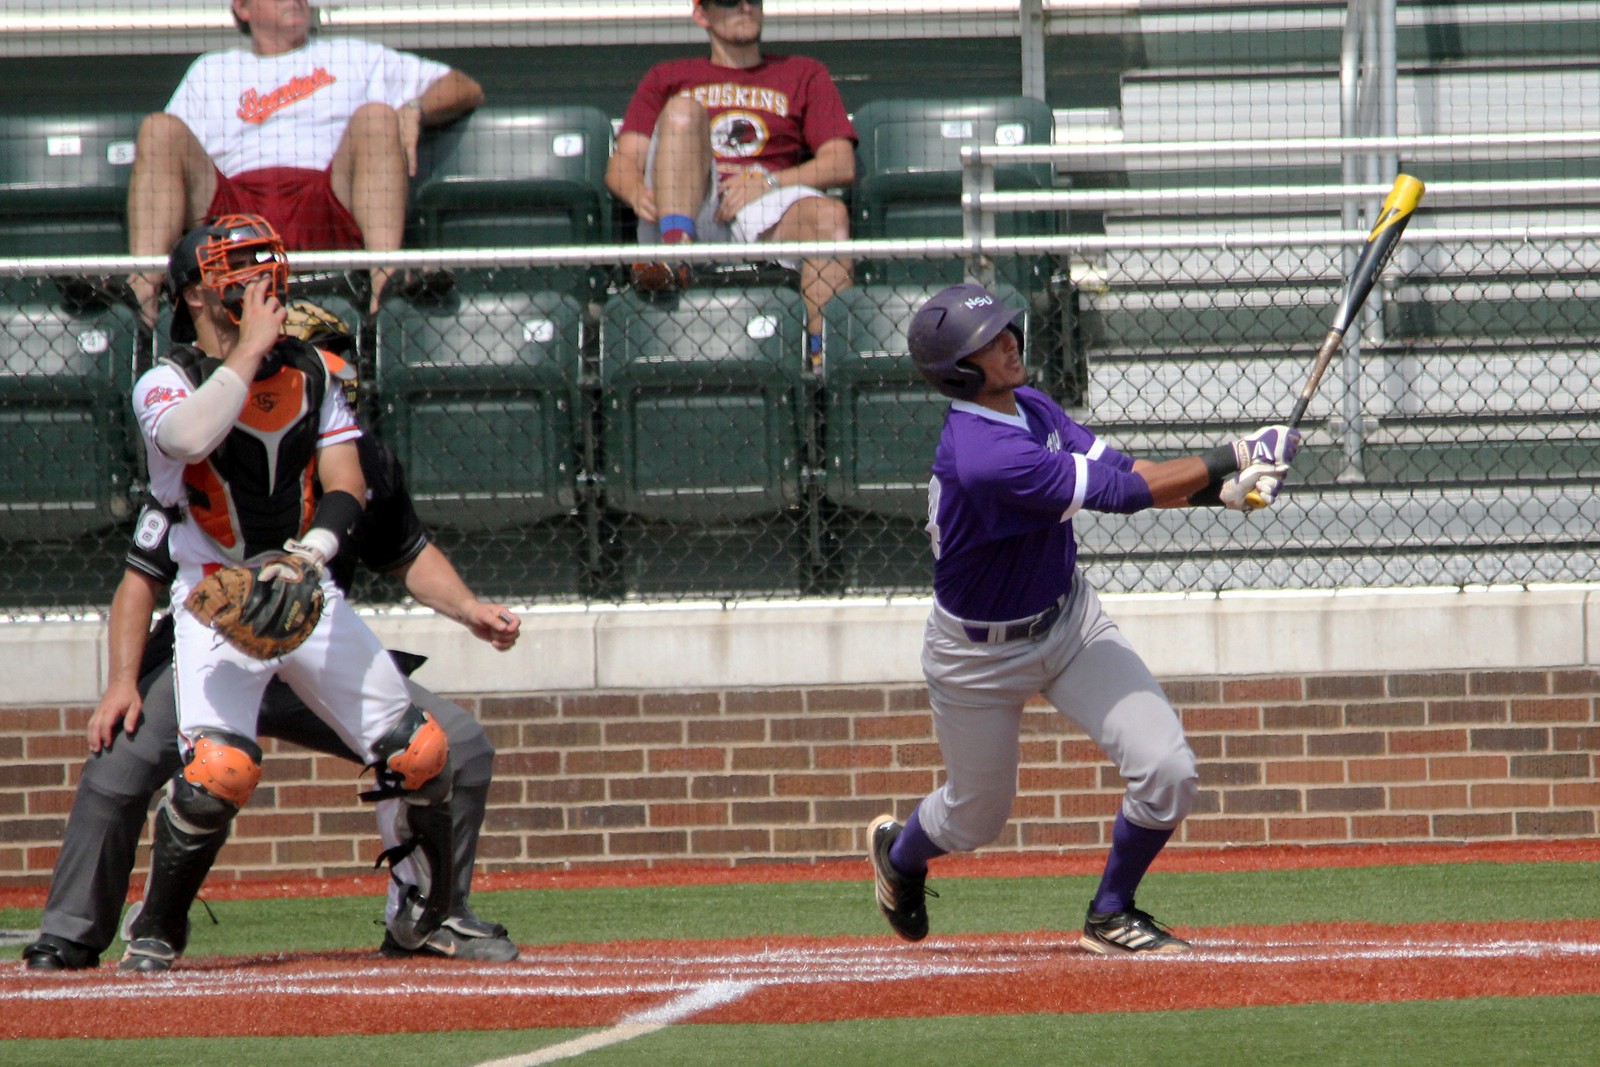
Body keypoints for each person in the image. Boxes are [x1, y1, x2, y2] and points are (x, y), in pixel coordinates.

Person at [866, 283, 1302, 954]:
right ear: (957, 370)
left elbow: (1126, 469)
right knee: (975, 818)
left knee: (1168, 770)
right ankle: (901, 856)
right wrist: (1236, 454)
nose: (1008, 342)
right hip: (977, 657)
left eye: (1006, 330)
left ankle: (1111, 912)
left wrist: (1220, 492)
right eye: (988, 341)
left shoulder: (1031, 406)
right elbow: (1123, 495)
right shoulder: (983, 458)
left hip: (1069, 622)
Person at [21, 421, 524, 971]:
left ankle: (432, 915)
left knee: (456, 745)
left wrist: (469, 609)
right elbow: (140, 579)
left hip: (314, 658)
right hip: (212, 655)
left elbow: (407, 553)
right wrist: (122, 682)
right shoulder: (210, 450)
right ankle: (73, 932)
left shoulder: (364, 462)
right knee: (122, 758)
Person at [112, 212, 461, 972]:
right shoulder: (164, 380)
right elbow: (188, 438)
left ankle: (420, 914)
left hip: (300, 584)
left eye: (263, 265)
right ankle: (157, 923)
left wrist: (312, 553)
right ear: (196, 293)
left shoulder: (309, 370)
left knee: (420, 749)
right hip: (216, 598)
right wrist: (246, 350)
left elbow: (346, 482)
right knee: (219, 772)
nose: (259, 281)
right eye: (236, 270)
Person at [126, 0, 485, 322]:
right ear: (243, 8)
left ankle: (384, 288)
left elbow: (465, 87)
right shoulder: (211, 70)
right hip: (233, 221)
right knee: (159, 129)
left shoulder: (351, 55)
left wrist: (415, 109)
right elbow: (165, 162)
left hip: (325, 206)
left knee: (377, 116)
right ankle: (142, 295)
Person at [604, 0, 855, 368]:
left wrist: (769, 181)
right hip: (685, 203)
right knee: (683, 111)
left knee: (829, 215)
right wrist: (635, 192)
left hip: (762, 207)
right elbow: (622, 163)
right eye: (728, 1)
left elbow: (840, 162)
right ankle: (675, 257)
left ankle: (824, 362)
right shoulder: (668, 76)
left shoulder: (803, 72)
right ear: (701, 13)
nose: (744, 7)